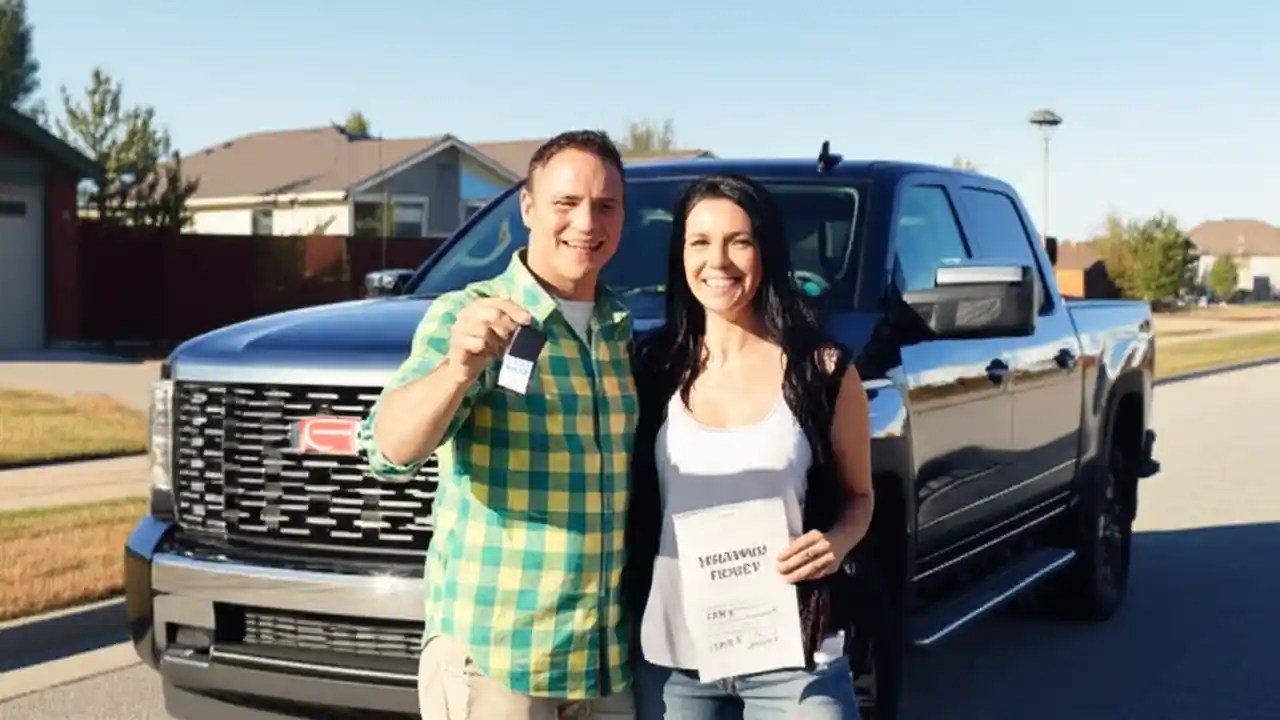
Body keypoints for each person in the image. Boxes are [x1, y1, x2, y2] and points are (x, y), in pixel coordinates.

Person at [359, 130, 639, 720]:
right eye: (566, 203)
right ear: (529, 208)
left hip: (602, 661)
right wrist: (458, 369)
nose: (586, 222)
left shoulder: (619, 332)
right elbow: (388, 452)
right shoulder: (471, 315)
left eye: (605, 205)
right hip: (499, 659)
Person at [621, 174, 875, 719]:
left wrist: (838, 541)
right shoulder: (652, 368)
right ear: (680, 254)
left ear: (766, 250)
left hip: (796, 660)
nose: (720, 261)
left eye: (739, 241)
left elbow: (860, 497)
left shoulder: (823, 371)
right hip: (676, 663)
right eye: (700, 242)